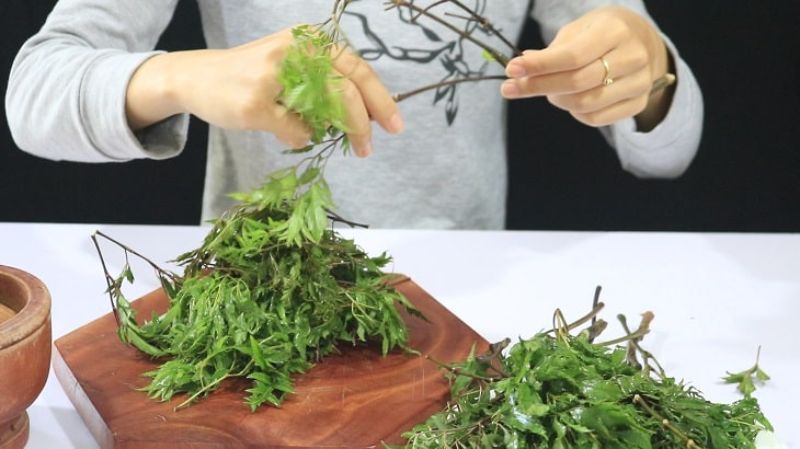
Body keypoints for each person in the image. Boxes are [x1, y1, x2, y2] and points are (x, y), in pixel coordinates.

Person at [5, 0, 703, 229]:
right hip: (253, 298)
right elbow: (33, 92)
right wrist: (181, 75)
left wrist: (650, 74)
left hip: (461, 304)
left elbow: (668, 149)